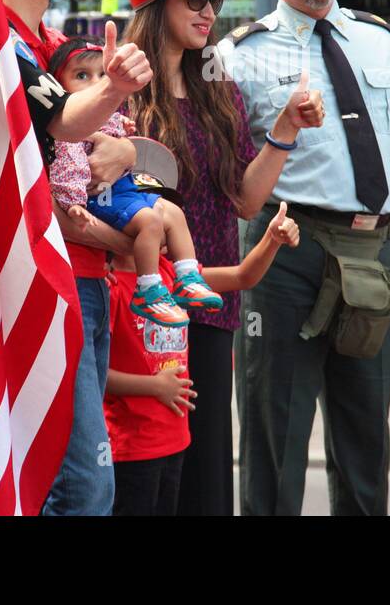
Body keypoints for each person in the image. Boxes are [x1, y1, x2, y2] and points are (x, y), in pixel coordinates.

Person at [218, 0, 390, 516]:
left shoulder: (382, 42)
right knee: (274, 444)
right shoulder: (240, 58)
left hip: (372, 252)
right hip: (286, 251)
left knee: (368, 444)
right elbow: (232, 180)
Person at [119, 0, 324, 516]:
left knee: (208, 468)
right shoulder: (125, 93)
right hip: (144, 306)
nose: (210, 11)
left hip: (210, 303)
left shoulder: (219, 90)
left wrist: (284, 129)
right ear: (159, 6)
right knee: (150, 469)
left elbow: (244, 201)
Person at [0, 0, 151, 516]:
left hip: (83, 279)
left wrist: (126, 144)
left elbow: (116, 148)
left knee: (70, 476)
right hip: (40, 281)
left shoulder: (49, 40)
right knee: (82, 485)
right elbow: (65, 120)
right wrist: (111, 89)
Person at [105, 202, 302, 516]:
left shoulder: (171, 273)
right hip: (130, 450)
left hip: (175, 443)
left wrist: (272, 239)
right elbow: (94, 376)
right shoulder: (109, 287)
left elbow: (242, 277)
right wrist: (154, 387)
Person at [45, 36, 223, 327]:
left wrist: (124, 134)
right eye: (81, 76)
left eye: (102, 75)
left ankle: (188, 275)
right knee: (151, 222)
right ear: (59, 86)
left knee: (175, 213)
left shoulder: (106, 115)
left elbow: (122, 138)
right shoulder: (70, 126)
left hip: (124, 189)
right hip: (100, 196)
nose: (95, 83)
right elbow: (71, 165)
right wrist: (74, 201)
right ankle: (148, 287)